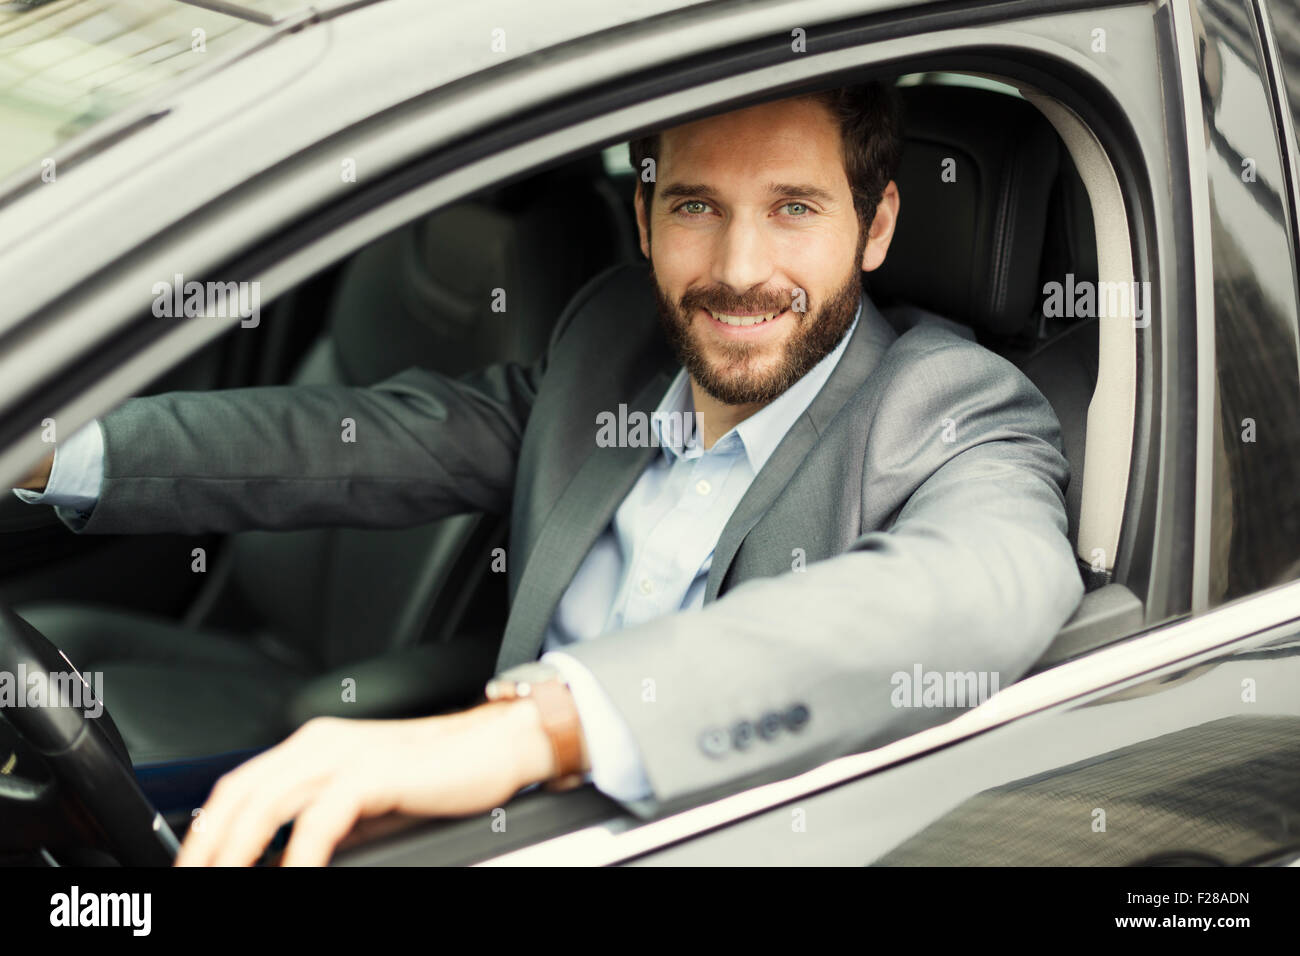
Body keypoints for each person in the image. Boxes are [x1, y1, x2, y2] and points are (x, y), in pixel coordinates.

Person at [13, 82, 1084, 866]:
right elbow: (361, 438)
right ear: (643, 218)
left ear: (877, 224)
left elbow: (989, 578)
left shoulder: (943, 402)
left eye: (794, 208)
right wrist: (51, 442)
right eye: (696, 205)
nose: (739, 269)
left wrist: (534, 727)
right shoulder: (611, 344)